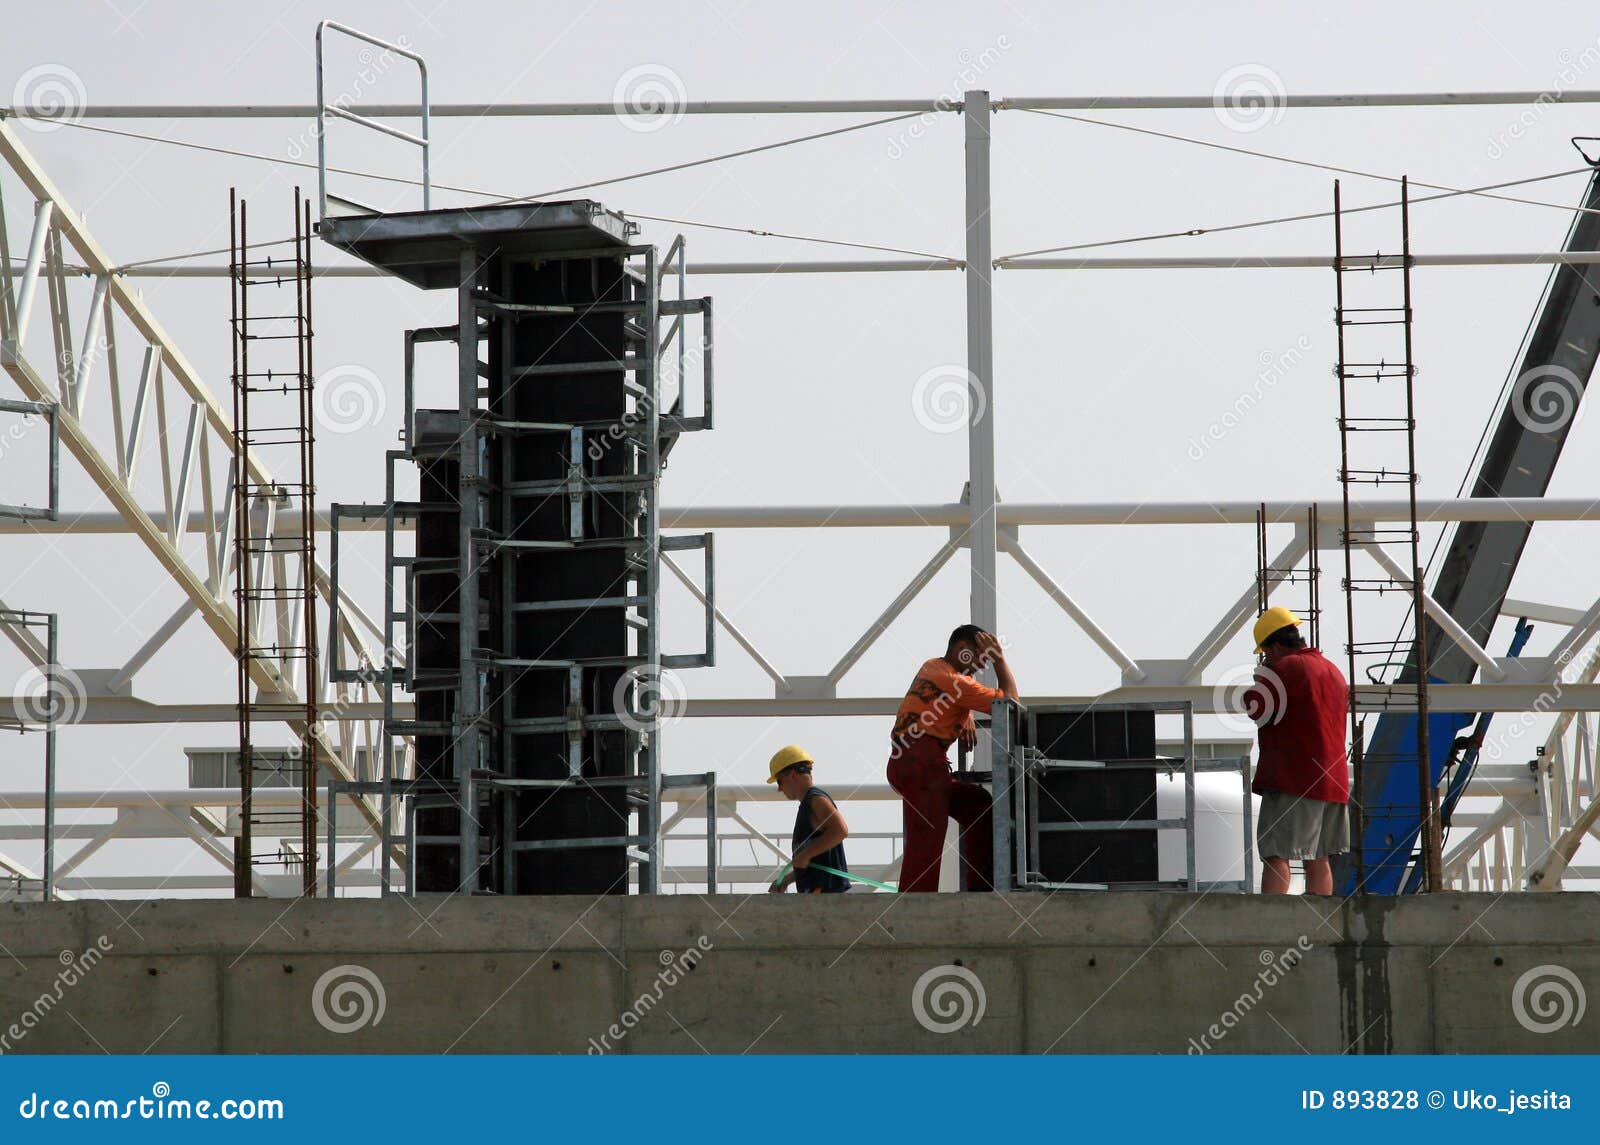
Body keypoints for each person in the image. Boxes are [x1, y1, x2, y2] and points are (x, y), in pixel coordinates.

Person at [886, 625, 1018, 893]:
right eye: (981, 656)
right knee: (927, 837)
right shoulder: (958, 684)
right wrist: (1000, 660)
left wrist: (965, 713)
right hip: (923, 764)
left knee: (977, 805)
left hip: (908, 763)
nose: (982, 665)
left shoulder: (932, 667)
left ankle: (980, 888)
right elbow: (1010, 702)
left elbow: (947, 697)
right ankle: (915, 902)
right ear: (962, 649)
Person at [1246, 606, 1350, 896]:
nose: (1266, 659)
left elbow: (1257, 708)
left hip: (1296, 779)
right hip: (1334, 781)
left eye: (1266, 653)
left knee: (1275, 853)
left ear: (1275, 646)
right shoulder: (1332, 670)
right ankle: (1321, 918)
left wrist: (1261, 679)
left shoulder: (1285, 668)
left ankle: (1272, 916)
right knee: (1318, 855)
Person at [766, 745, 851, 894]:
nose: (779, 789)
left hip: (826, 896)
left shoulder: (815, 799)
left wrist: (805, 855)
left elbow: (840, 831)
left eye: (779, 781)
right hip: (817, 895)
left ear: (792, 775)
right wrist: (787, 880)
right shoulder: (808, 804)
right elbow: (811, 863)